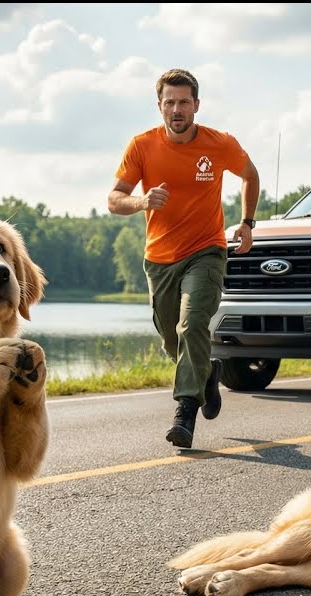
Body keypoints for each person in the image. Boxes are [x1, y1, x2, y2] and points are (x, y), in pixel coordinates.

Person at [108, 68, 260, 449]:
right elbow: (114, 199)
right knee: (170, 336)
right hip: (159, 258)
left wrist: (246, 223)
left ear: (196, 104)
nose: (177, 109)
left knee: (192, 325)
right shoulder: (142, 146)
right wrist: (141, 201)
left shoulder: (219, 143)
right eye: (169, 102)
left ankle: (184, 412)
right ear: (159, 106)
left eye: (183, 102)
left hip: (206, 250)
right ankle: (207, 374)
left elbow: (250, 174)